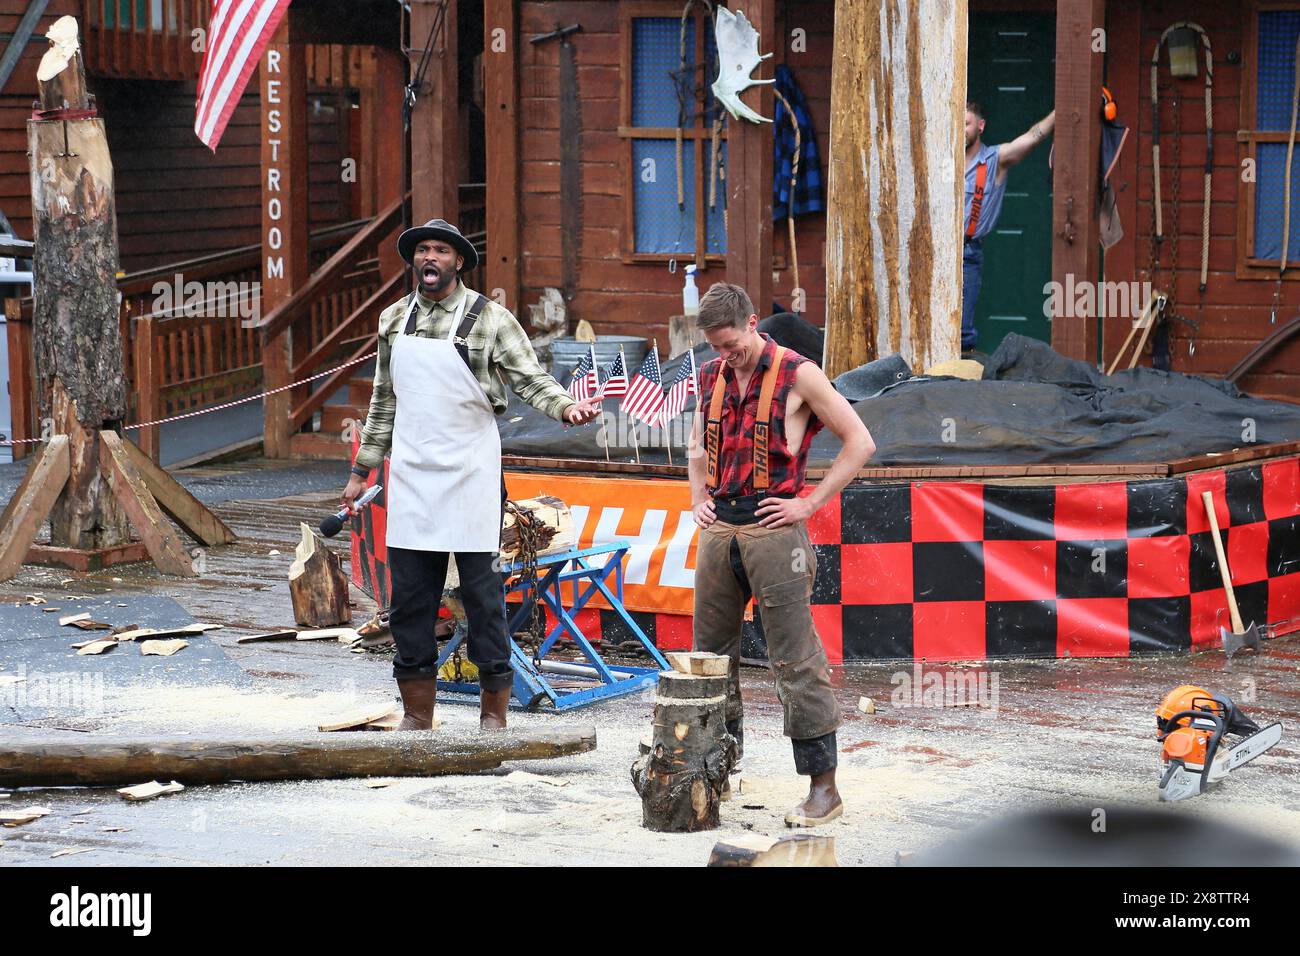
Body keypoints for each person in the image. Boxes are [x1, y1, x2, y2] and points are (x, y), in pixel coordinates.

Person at [343, 219, 600, 731]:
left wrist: (567, 408)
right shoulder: (394, 320)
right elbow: (383, 399)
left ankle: (493, 714)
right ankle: (418, 715)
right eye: (422, 251)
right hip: (413, 475)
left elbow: (531, 378)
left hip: (472, 474)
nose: (429, 258)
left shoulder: (491, 319)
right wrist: (362, 468)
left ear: (458, 261)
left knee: (482, 599)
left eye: (440, 250)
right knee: (411, 601)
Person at [687, 282, 876, 827]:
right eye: (715, 347)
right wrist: (698, 499)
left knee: (794, 656)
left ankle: (824, 788)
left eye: (731, 344)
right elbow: (699, 447)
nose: (726, 355)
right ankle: (712, 770)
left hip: (775, 529)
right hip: (720, 527)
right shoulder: (709, 376)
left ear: (751, 323)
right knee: (708, 660)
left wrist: (809, 503)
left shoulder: (800, 373)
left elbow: (859, 441)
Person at [962, 101, 1056, 353]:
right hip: (935, 253)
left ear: (980, 126)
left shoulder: (995, 159)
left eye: (967, 124)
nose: (961, 129)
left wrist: (1061, 111)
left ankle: (959, 378)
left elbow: (1032, 137)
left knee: (962, 330)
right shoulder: (943, 160)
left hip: (966, 253)